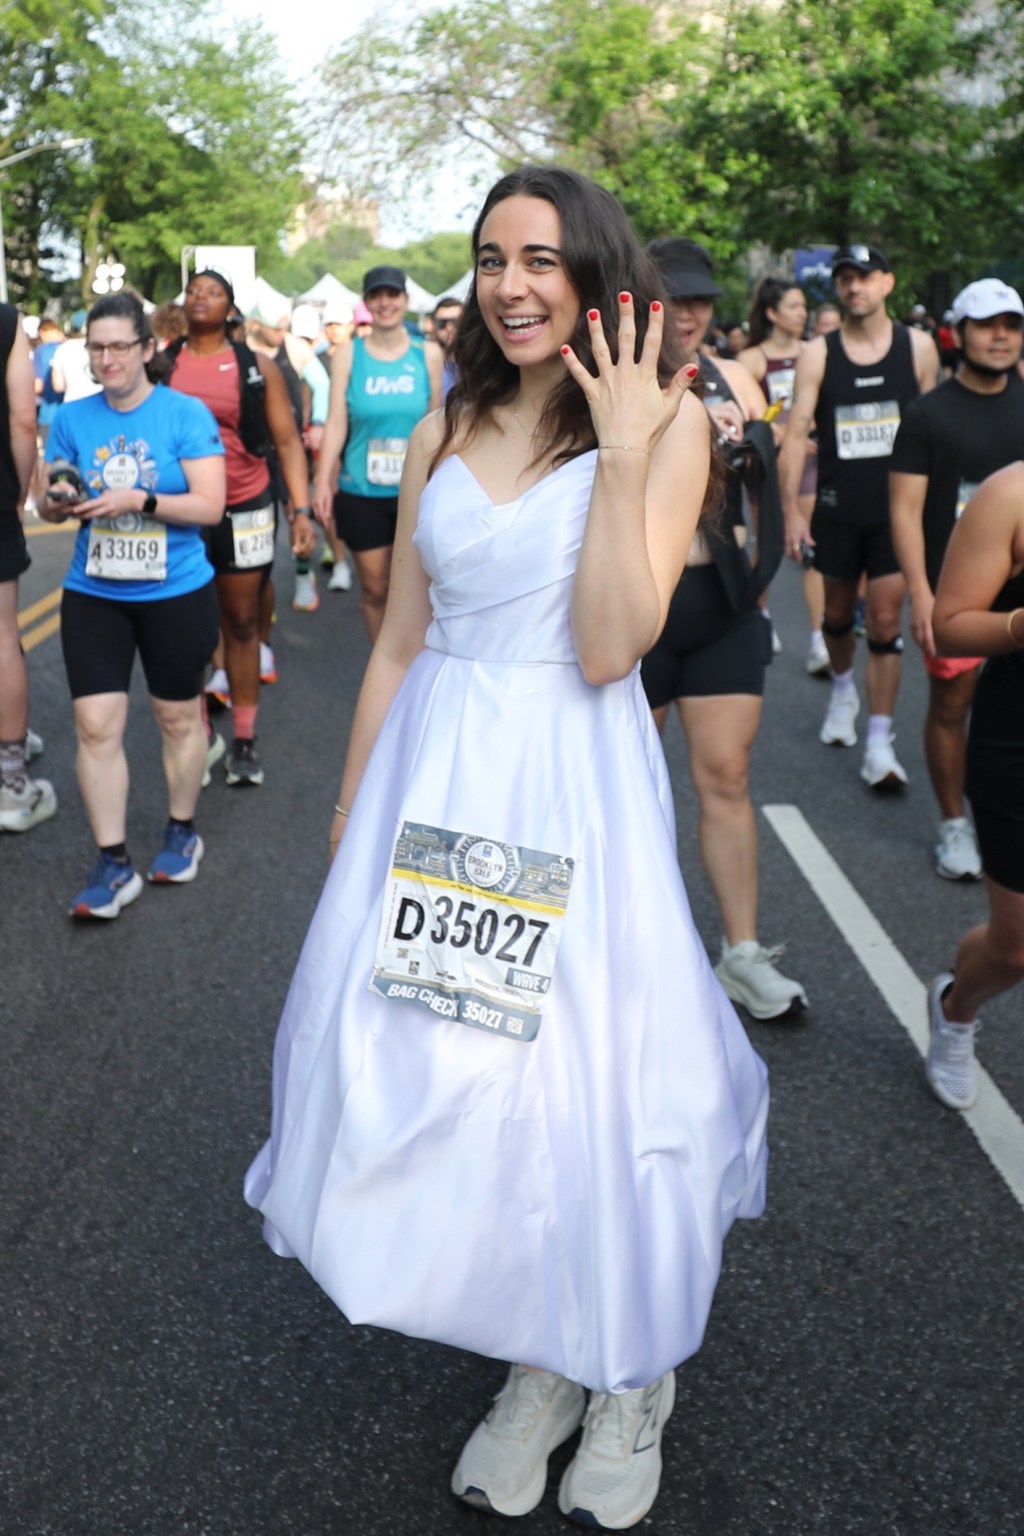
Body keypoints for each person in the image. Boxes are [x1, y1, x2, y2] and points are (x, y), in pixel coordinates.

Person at [245, 165, 768, 1532]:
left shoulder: (662, 432)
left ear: (594, 276)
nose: (514, 283)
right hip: (440, 776)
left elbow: (609, 645)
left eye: (541, 257)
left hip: (569, 776)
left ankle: (627, 1369)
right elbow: (400, 639)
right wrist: (356, 807)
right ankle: (542, 1357)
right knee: (464, 1064)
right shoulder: (440, 422)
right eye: (491, 258)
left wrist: (632, 446)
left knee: (593, 1077)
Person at [641, 238, 807, 1020]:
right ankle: (624, 954)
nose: (691, 313)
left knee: (727, 777)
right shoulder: (613, 381)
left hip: (724, 605)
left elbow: (764, 484)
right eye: (676, 299)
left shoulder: (736, 377)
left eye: (702, 299)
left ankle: (741, 954)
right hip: (639, 610)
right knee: (625, 789)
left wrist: (767, 562)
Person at [39, 292, 225, 914]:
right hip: (94, 591)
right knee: (95, 725)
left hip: (175, 590)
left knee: (177, 719)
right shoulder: (72, 418)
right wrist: (58, 503)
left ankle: (181, 829)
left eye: (121, 346)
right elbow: (48, 499)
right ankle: (113, 863)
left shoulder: (184, 414)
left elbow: (209, 506)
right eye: (96, 347)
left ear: (148, 348)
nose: (107, 358)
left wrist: (137, 501)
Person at [780, 243, 939, 790]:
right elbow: (796, 433)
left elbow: (937, 434)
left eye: (866, 277)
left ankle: (879, 742)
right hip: (836, 508)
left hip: (898, 513)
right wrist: (789, 516)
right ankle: (844, 689)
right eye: (846, 277)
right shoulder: (819, 354)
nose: (855, 286)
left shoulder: (918, 348)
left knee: (888, 622)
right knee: (838, 617)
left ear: (888, 283)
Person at [890, 278, 1024, 881]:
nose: (1002, 336)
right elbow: (904, 511)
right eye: (989, 324)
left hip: (1016, 591)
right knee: (953, 705)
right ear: (959, 332)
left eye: (1013, 325)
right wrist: (922, 591)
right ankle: (953, 822)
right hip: (959, 594)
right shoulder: (928, 414)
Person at [163, 269, 316, 787]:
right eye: (194, 291)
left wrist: (301, 510)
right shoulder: (163, 363)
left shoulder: (257, 367)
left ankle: (245, 740)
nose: (201, 297)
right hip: (180, 508)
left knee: (243, 622)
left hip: (245, 505)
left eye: (214, 292)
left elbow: (290, 444)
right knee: (188, 625)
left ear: (231, 307)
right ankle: (201, 733)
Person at [926, 463, 1024, 1109]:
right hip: (1016, 743)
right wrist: (1019, 626)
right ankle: (955, 1009)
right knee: (1016, 953)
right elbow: (953, 622)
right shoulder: (1010, 493)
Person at [313, 265, 442, 642]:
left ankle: (417, 672)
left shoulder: (428, 354)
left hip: (416, 493)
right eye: (376, 296)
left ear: (405, 300)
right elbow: (336, 421)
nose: (385, 303)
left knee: (422, 593)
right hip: (362, 492)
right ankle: (383, 672)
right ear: (367, 303)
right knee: (374, 590)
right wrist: (322, 480)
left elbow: (436, 424)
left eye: (392, 295)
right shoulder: (348, 355)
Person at [737, 278, 828, 676]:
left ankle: (818, 639)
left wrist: (811, 436)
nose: (802, 313)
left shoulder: (815, 353)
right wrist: (782, 435)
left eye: (804, 306)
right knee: (769, 543)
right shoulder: (752, 359)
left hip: (809, 462)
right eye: (793, 306)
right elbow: (745, 415)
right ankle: (763, 618)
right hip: (766, 465)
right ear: (772, 313)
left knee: (812, 549)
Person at [0, 302, 58, 833]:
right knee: (2, 637)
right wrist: (19, 493)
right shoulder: (4, 320)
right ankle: (12, 784)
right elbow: (23, 418)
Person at [431, 294, 464, 399]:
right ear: (433, 325)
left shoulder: (480, 363)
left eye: (456, 322)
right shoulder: (422, 363)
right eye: (442, 323)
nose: (449, 328)